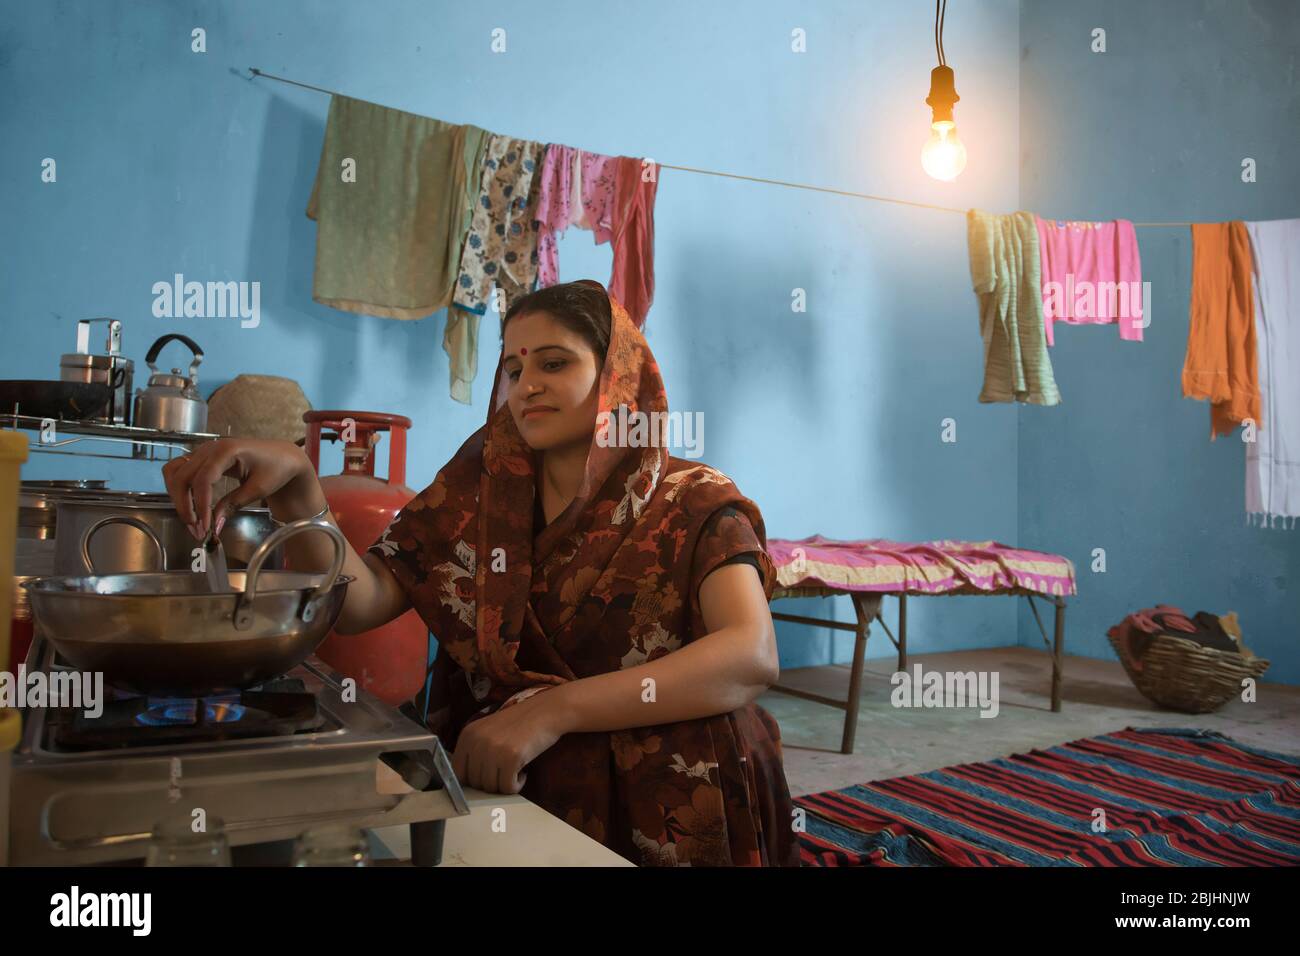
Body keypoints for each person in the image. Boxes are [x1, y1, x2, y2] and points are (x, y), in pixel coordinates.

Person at [162, 279, 800, 867]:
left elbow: (750, 654)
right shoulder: (480, 492)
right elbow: (364, 602)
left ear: (617, 377)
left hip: (673, 790)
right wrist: (301, 490)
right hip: (509, 776)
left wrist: (553, 711)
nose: (526, 385)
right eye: (514, 367)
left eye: (554, 362)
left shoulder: (692, 500)